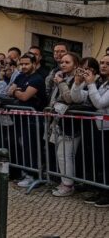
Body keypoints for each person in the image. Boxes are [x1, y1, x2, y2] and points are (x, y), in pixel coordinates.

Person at [8, 53, 47, 188]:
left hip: (33, 120)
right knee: (22, 145)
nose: (23, 66)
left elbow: (24, 96)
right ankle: (25, 172)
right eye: (22, 64)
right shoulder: (20, 76)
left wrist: (16, 91)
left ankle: (33, 175)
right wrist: (16, 91)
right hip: (20, 118)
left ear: (34, 64)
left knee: (31, 147)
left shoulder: (37, 79)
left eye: (27, 64)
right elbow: (9, 90)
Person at [48, 52, 82, 197]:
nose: (63, 64)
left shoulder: (76, 80)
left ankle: (68, 185)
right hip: (58, 121)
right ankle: (64, 182)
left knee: (65, 155)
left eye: (67, 62)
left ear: (75, 65)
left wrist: (61, 83)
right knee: (61, 154)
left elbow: (69, 98)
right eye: (62, 62)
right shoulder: (61, 77)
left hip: (71, 124)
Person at [77, 53, 109, 207]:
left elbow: (100, 103)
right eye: (102, 62)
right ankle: (100, 189)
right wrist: (77, 84)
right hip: (98, 127)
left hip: (107, 129)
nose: (103, 66)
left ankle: (106, 193)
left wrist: (90, 84)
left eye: (107, 64)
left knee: (106, 162)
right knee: (99, 160)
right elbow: (82, 98)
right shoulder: (101, 83)